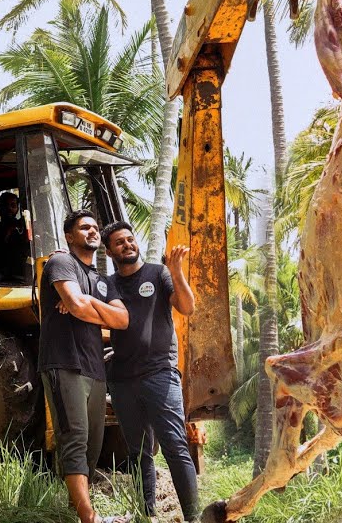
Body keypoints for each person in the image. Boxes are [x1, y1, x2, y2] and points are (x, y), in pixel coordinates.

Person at [99, 220, 200, 522]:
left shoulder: (158, 273)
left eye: (130, 239)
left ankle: (193, 518)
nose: (127, 245)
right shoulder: (109, 284)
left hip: (160, 373)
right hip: (121, 380)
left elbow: (187, 307)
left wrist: (177, 271)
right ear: (109, 250)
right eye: (119, 242)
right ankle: (147, 515)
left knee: (174, 446)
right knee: (139, 452)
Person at [39, 210, 131, 523]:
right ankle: (89, 518)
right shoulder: (61, 263)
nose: (92, 231)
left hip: (95, 368)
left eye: (95, 227)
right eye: (83, 227)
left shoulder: (103, 281)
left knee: (93, 444)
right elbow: (77, 306)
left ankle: (74, 512)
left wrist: (87, 304)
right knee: (74, 437)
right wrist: (85, 306)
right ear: (69, 235)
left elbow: (122, 320)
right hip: (64, 362)